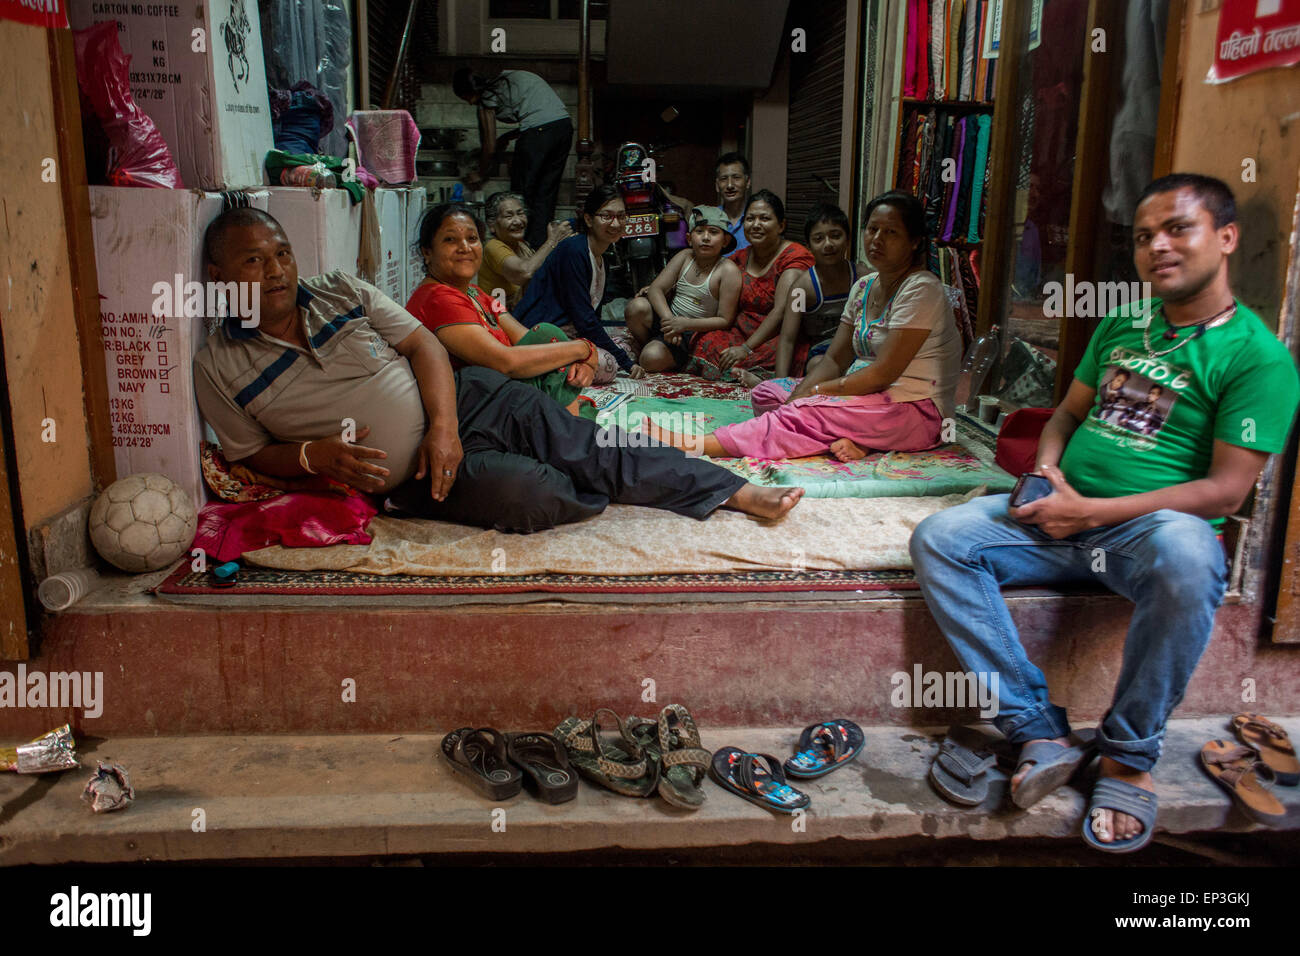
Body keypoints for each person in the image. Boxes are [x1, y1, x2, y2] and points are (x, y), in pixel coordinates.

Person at [908, 173, 1300, 852]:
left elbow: (1226, 493)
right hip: (1062, 514)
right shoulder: (1123, 323)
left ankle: (1127, 755)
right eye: (1145, 235)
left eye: (1179, 228)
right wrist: (1048, 471)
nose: (1158, 247)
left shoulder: (1257, 358)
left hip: (1144, 533)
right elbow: (1064, 414)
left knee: (1190, 554)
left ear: (1226, 238)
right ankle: (1037, 727)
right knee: (942, 536)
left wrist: (1091, 511)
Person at [192, 207, 805, 534]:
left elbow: (427, 350)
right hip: (410, 477)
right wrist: (307, 459)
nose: (276, 272)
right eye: (254, 260)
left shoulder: (338, 291)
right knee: (535, 495)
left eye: (282, 253)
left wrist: (443, 425)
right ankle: (596, 478)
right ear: (219, 276)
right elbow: (246, 456)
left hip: (467, 400)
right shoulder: (219, 364)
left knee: (590, 444)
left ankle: (728, 490)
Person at [649, 191, 960, 462]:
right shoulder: (865, 286)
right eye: (873, 229)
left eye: (891, 233)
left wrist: (817, 393)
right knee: (768, 393)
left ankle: (699, 444)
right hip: (864, 396)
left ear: (914, 241)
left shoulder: (921, 289)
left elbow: (883, 375)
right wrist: (801, 393)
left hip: (914, 409)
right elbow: (836, 359)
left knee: (806, 411)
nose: (877, 240)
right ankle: (859, 439)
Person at [406, 202, 600, 418]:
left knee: (547, 334)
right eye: (450, 240)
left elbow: (528, 339)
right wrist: (585, 350)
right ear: (427, 252)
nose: (465, 248)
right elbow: (505, 362)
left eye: (472, 239)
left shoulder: (474, 293)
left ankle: (567, 425)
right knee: (553, 343)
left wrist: (580, 363)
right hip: (475, 409)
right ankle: (569, 429)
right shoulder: (437, 298)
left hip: (504, 393)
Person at [514, 185, 644, 380]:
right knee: (607, 366)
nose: (616, 224)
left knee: (624, 346)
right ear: (589, 219)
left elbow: (592, 315)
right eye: (607, 216)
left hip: (571, 332)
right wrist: (625, 363)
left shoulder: (602, 258)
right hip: (541, 332)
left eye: (621, 216)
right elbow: (584, 318)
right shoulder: (574, 250)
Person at [689, 190, 814, 382]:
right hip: (742, 331)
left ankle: (759, 381)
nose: (756, 225)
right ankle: (738, 374)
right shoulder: (740, 258)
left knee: (779, 352)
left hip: (778, 334)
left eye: (764, 219)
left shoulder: (794, 257)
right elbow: (707, 273)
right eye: (750, 219)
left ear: (781, 226)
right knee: (707, 339)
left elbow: (782, 312)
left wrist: (746, 348)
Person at [453, 68, 572, 248]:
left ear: (469, 93)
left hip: (539, 132)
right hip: (564, 128)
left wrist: (481, 173)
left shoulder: (486, 97)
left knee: (521, 194)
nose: (470, 104)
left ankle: (518, 244)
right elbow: (543, 118)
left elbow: (489, 147)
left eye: (466, 99)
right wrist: (507, 137)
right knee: (545, 194)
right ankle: (538, 247)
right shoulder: (506, 79)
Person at [623, 205, 742, 373]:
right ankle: (652, 343)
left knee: (649, 360)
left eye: (714, 232)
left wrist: (684, 325)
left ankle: (672, 354)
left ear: (725, 240)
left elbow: (725, 320)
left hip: (694, 332)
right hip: (670, 320)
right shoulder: (685, 256)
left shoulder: (728, 270)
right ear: (689, 238)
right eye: (699, 231)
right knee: (636, 307)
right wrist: (670, 321)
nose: (706, 238)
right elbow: (656, 288)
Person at [774, 203, 869, 379]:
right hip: (822, 354)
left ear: (848, 239)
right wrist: (780, 384)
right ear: (808, 246)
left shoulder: (864, 277)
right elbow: (788, 339)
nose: (828, 244)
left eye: (835, 236)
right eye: (818, 239)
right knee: (819, 368)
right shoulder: (801, 289)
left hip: (859, 349)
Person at [477, 191, 571, 309]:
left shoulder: (522, 246)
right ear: (492, 225)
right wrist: (552, 241)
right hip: (500, 320)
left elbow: (542, 274)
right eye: (509, 216)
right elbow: (524, 273)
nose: (518, 221)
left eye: (521, 214)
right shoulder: (493, 246)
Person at [714, 152, 752, 253]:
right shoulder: (710, 220)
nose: (730, 185)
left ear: (747, 182)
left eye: (736, 177)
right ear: (717, 186)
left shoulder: (758, 220)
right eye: (724, 179)